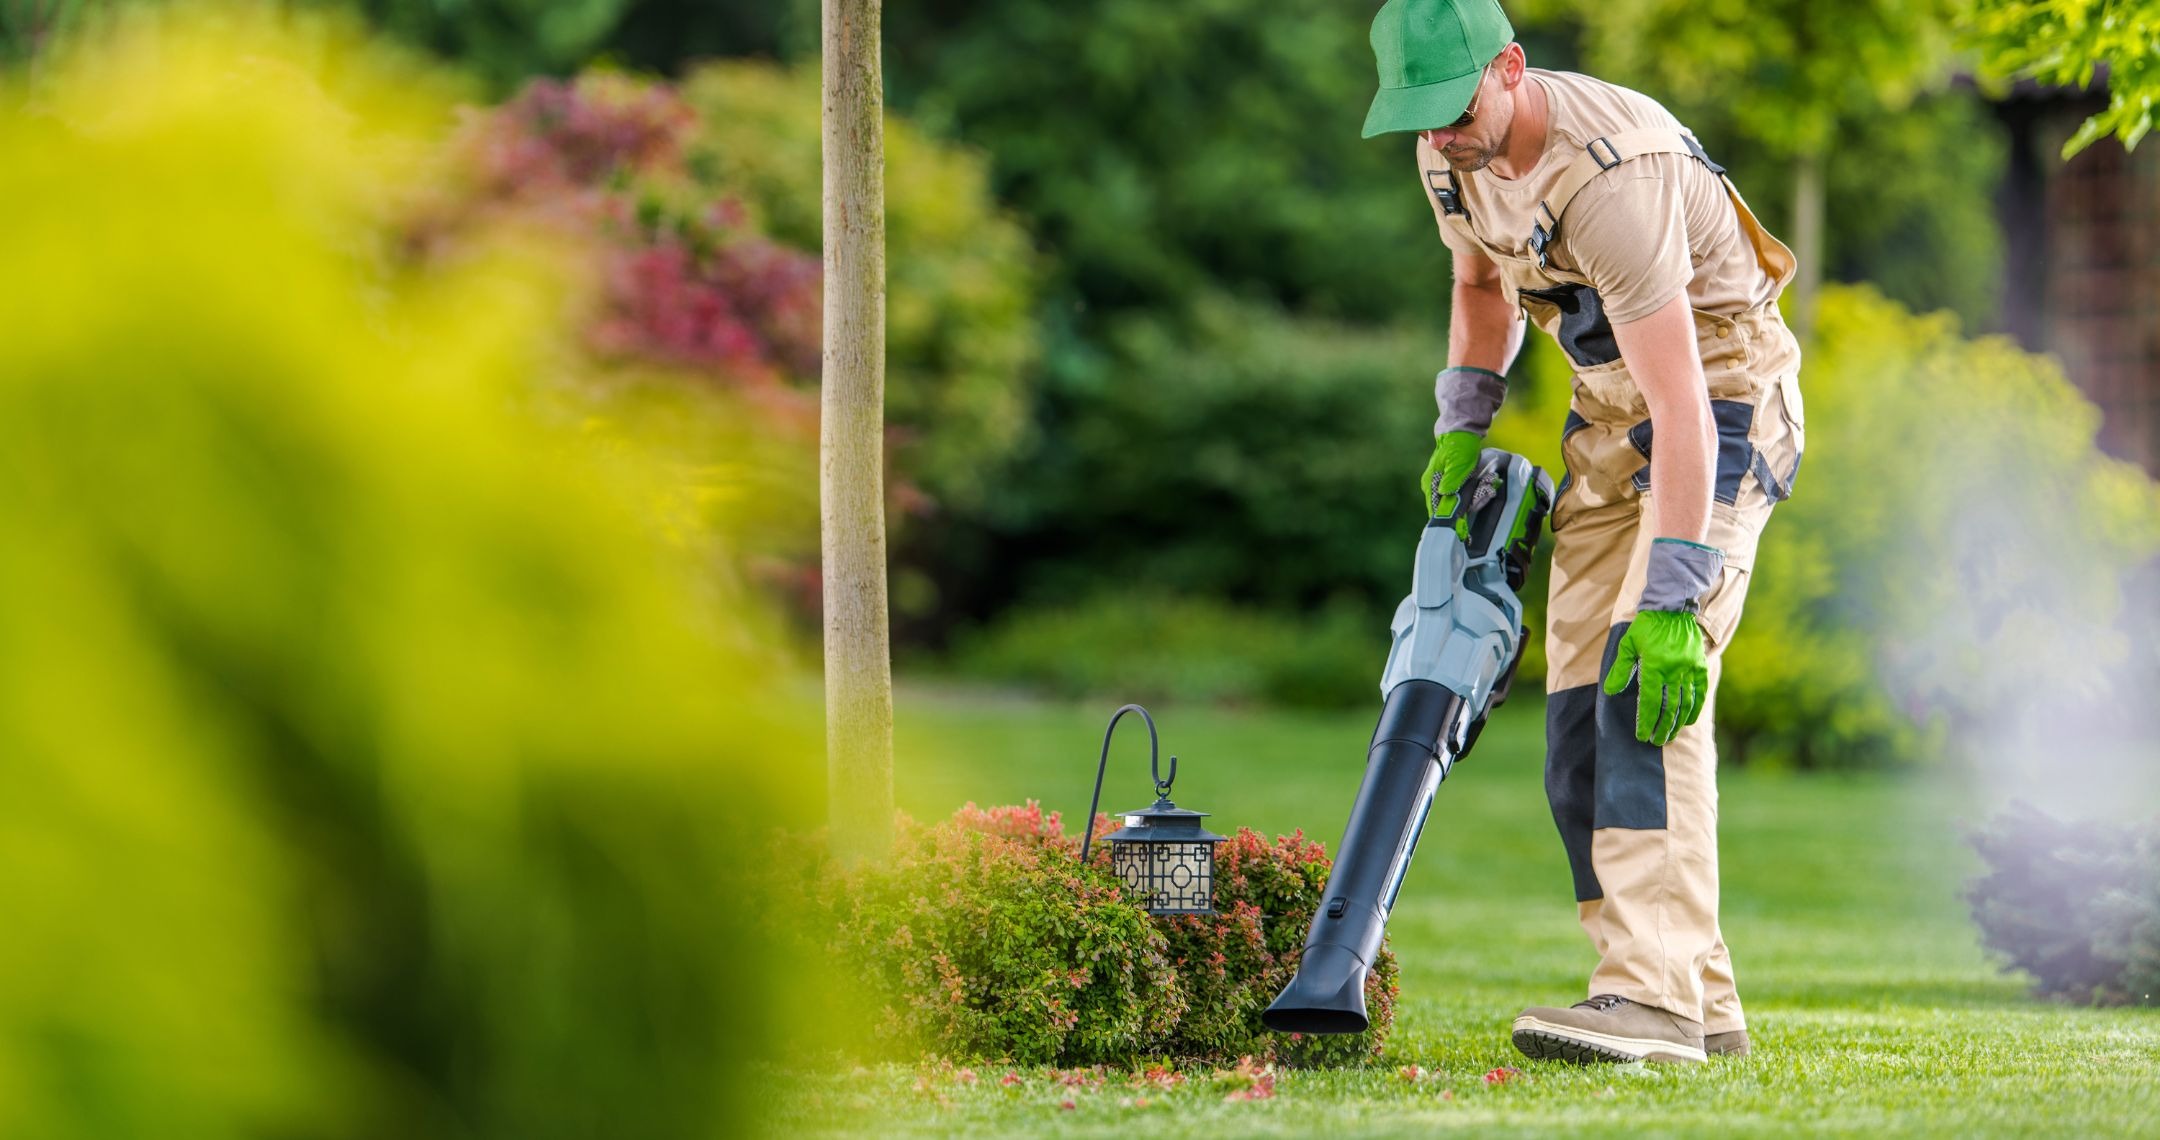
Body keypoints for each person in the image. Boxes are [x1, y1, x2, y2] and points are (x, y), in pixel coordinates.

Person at [1364, 0, 1807, 1064]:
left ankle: (1648, 999)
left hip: (1720, 405)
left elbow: (1689, 405)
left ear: (1510, 68)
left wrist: (1672, 598)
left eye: (1454, 108)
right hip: (1608, 421)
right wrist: (1461, 425)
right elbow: (1481, 288)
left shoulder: (1613, 176)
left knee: (1641, 688)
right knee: (1576, 727)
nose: (1439, 136)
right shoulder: (1449, 161)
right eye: (1417, 117)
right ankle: (1702, 1003)